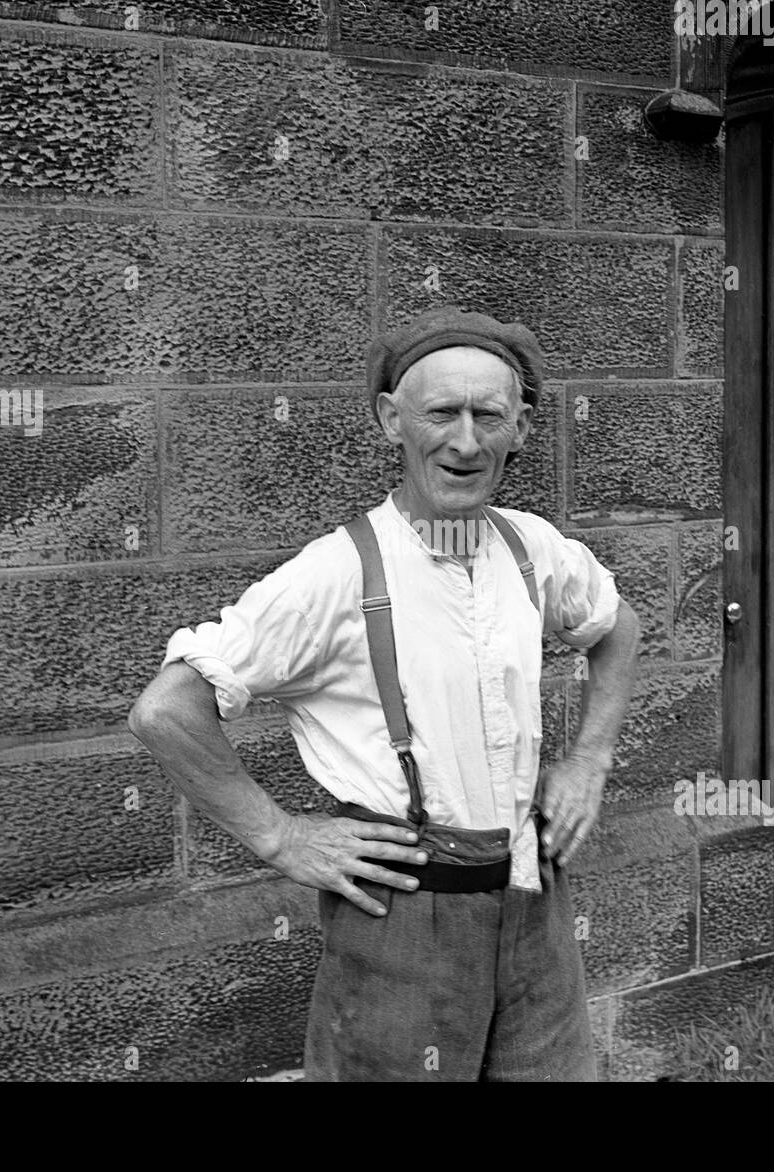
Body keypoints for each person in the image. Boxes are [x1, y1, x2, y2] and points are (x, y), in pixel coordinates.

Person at [128, 306, 641, 1081]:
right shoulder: (335, 574)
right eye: (441, 413)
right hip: (403, 913)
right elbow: (167, 710)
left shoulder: (530, 547)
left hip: (535, 902)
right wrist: (279, 837)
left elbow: (616, 628)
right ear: (390, 421)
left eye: (488, 415)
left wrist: (589, 759)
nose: (465, 441)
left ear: (522, 428)